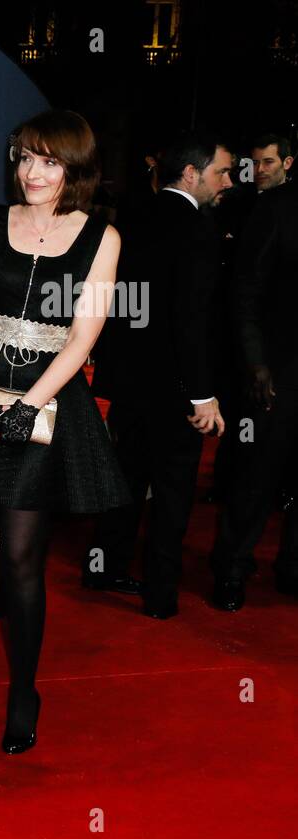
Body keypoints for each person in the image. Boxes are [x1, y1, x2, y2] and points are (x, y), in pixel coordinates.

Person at [0, 110, 125, 753]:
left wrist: (23, 409)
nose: (33, 172)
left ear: (76, 168)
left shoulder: (102, 238)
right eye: (25, 158)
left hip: (45, 408)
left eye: (49, 161)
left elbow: (81, 337)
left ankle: (25, 690)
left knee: (20, 560)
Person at [87, 131, 231, 617]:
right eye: (221, 173)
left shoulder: (134, 214)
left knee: (124, 479)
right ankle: (160, 594)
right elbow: (190, 319)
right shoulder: (199, 228)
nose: (228, 182)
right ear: (191, 173)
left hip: (127, 381)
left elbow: (118, 302)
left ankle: (103, 567)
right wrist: (201, 395)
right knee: (171, 492)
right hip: (172, 390)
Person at [211, 154, 298, 608]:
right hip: (279, 368)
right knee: (257, 473)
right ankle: (231, 567)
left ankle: (293, 568)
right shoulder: (278, 207)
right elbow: (245, 289)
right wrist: (256, 362)